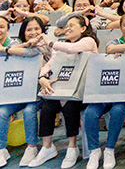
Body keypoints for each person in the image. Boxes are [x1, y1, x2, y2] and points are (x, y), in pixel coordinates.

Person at [31, 16, 99, 169]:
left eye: (71, 26)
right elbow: (48, 65)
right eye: (65, 26)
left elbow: (73, 49)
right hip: (62, 89)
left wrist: (50, 42)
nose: (66, 29)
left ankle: (72, 146)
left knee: (69, 106)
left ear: (82, 28)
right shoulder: (63, 46)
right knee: (47, 105)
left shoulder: (88, 41)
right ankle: (47, 147)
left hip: (84, 92)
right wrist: (42, 78)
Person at [83, 13, 125, 169]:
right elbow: (110, 49)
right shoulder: (113, 42)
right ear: (120, 27)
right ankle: (94, 150)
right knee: (90, 112)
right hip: (109, 88)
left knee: (118, 110)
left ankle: (109, 149)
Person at [0, 16, 48, 168]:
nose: (33, 32)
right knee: (2, 112)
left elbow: (32, 53)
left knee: (28, 111)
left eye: (36, 29)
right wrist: (22, 46)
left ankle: (31, 146)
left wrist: (5, 50)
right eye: (29, 29)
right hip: (16, 92)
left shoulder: (45, 44)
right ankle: (1, 149)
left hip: (37, 94)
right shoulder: (19, 45)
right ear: (23, 32)